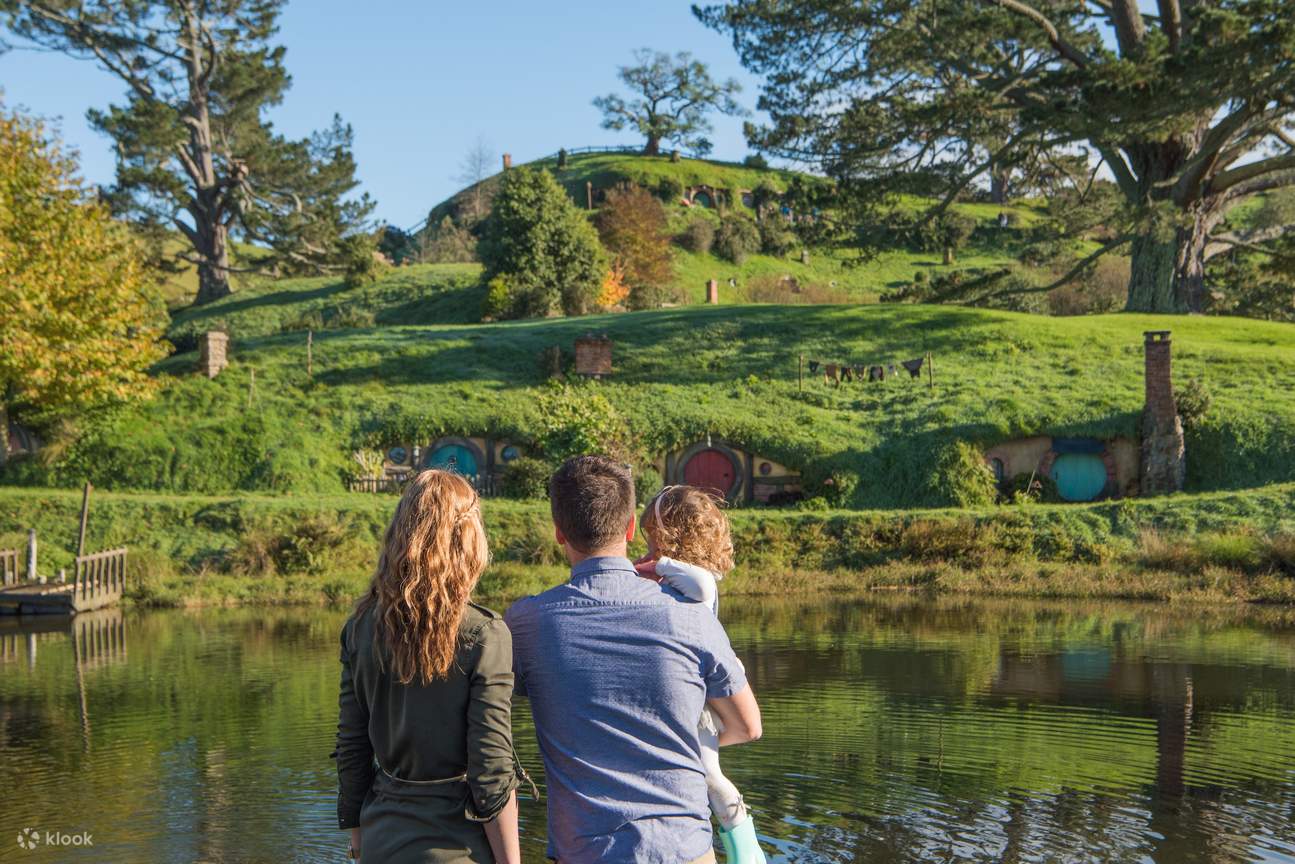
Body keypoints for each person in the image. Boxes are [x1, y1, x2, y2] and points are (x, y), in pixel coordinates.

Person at [507, 456, 763, 864]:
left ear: (559, 532)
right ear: (629, 528)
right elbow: (748, 726)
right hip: (682, 849)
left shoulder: (526, 624)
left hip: (585, 852)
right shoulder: (690, 615)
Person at [335, 470, 522, 864]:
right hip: (459, 847)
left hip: (381, 842)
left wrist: (358, 841)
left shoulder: (360, 628)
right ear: (469, 539)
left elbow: (352, 749)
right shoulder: (485, 634)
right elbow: (491, 772)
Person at [635, 486, 768, 864]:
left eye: (651, 533)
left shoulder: (696, 579)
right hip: (686, 689)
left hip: (700, 695)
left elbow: (702, 587)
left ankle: (749, 853)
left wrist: (650, 566)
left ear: (669, 534)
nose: (647, 544)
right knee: (703, 771)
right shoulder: (679, 576)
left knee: (710, 775)